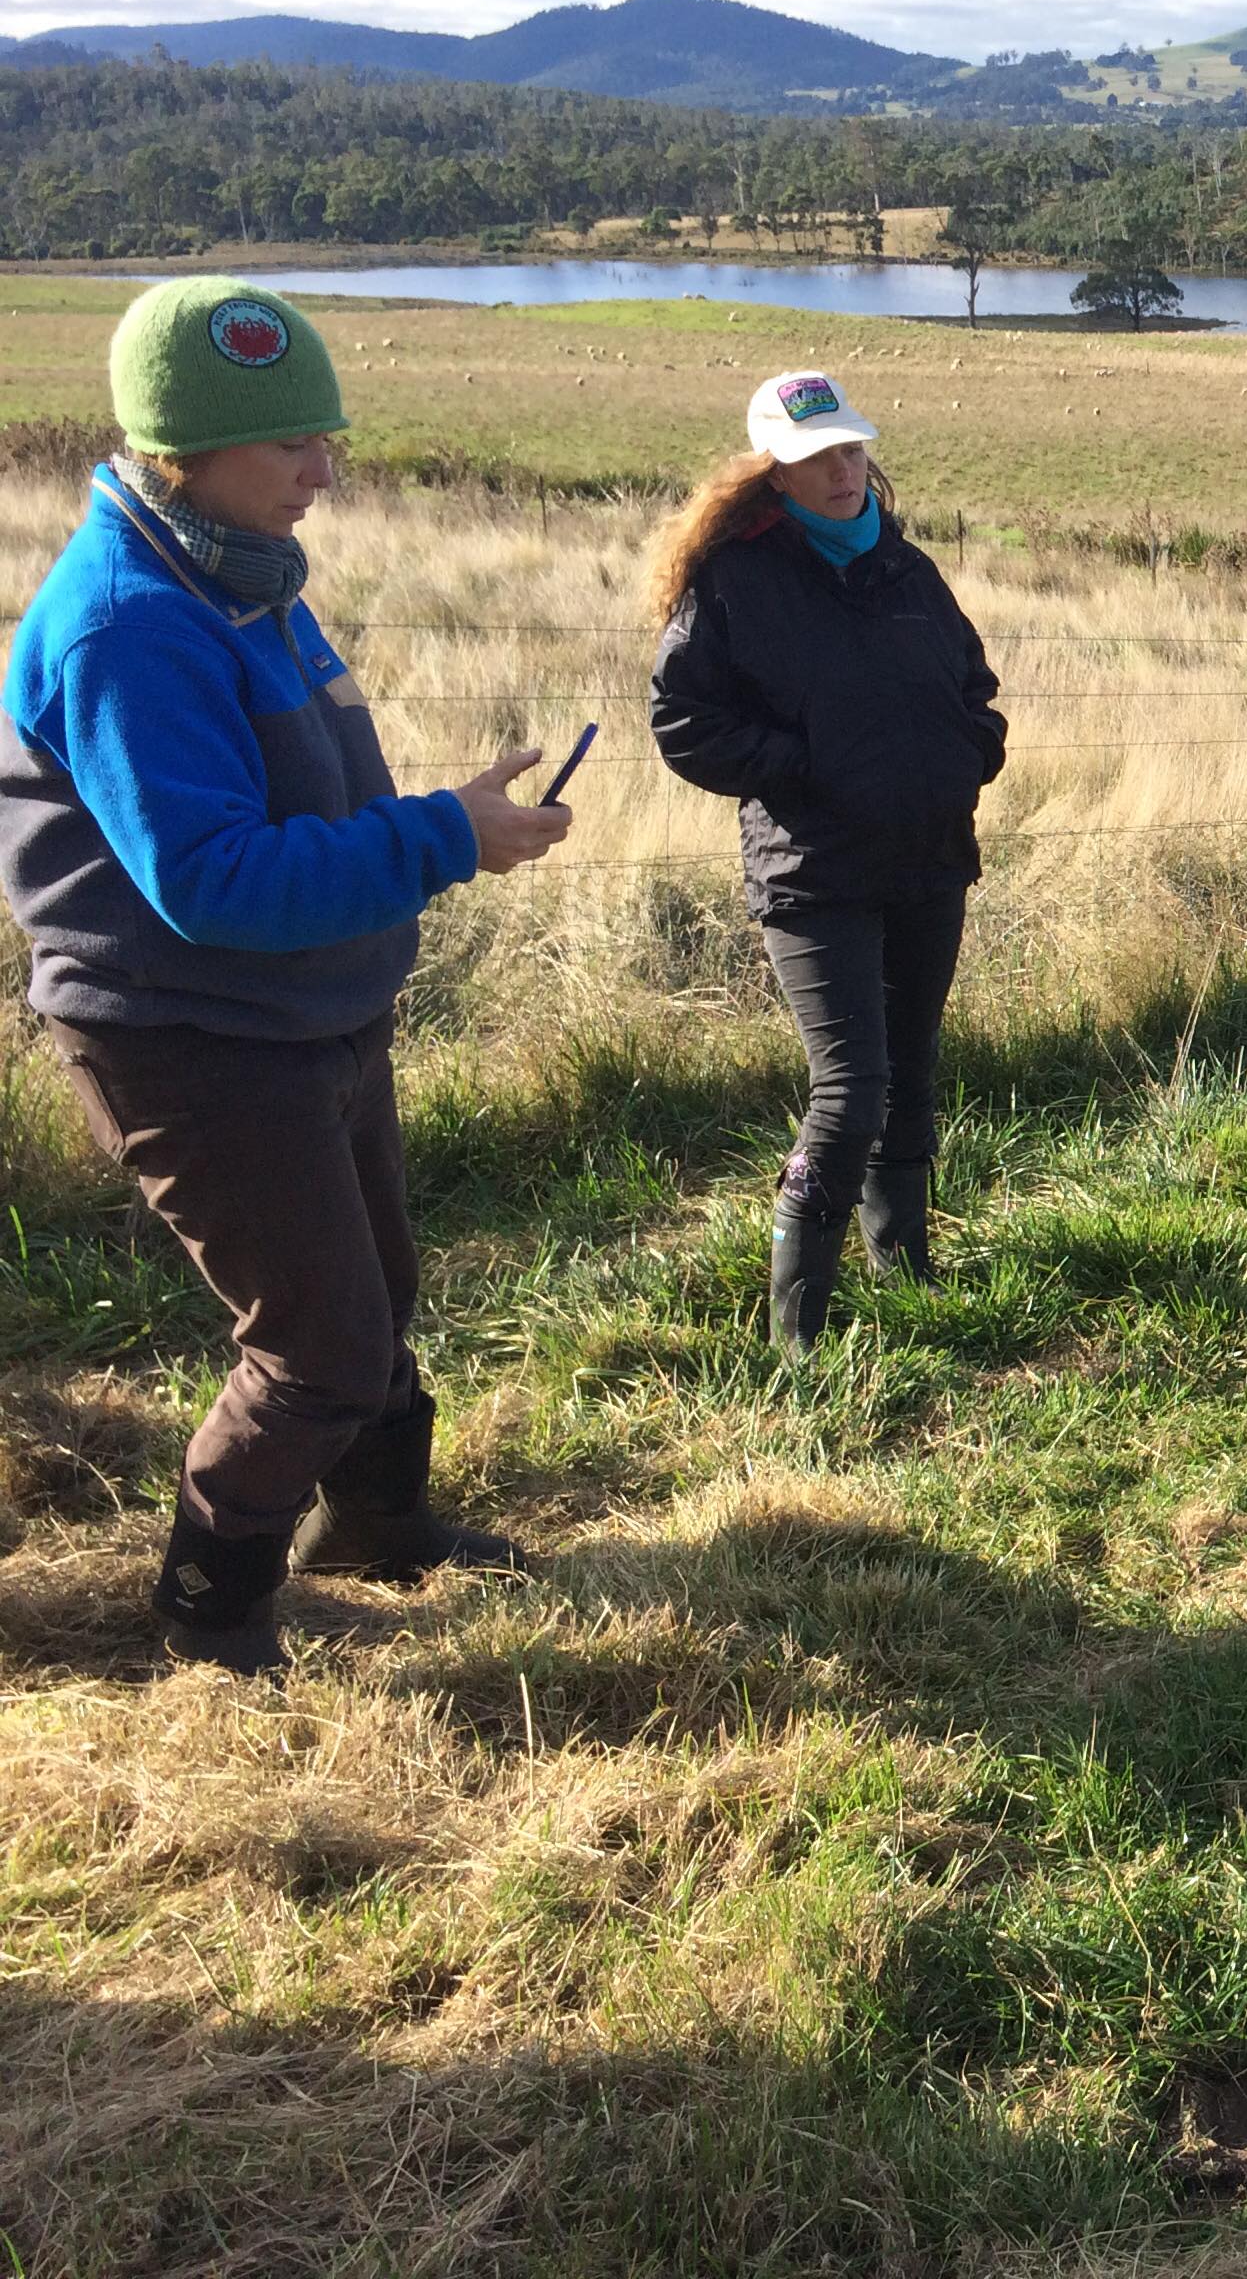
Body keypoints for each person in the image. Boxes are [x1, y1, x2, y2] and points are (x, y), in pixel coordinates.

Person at [0, 278, 572, 1673]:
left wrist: (442, 819)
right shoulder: (131, 626)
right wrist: (447, 836)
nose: (325, 473)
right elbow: (211, 882)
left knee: (377, 1287)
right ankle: (212, 1618)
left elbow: (291, 815)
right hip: (189, 1039)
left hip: (308, 1011)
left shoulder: (240, 574)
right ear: (179, 453)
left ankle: (379, 1528)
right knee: (315, 1344)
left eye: (329, 435)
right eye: (290, 446)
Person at [648, 369, 1005, 1352]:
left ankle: (909, 1276)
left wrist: (970, 751)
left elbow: (973, 683)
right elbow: (683, 722)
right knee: (851, 1096)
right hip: (814, 874)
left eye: (852, 449)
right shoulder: (735, 583)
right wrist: (806, 772)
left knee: (913, 1077)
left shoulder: (906, 568)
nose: (844, 469)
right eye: (816, 456)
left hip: (929, 859)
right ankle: (795, 1326)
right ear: (774, 473)